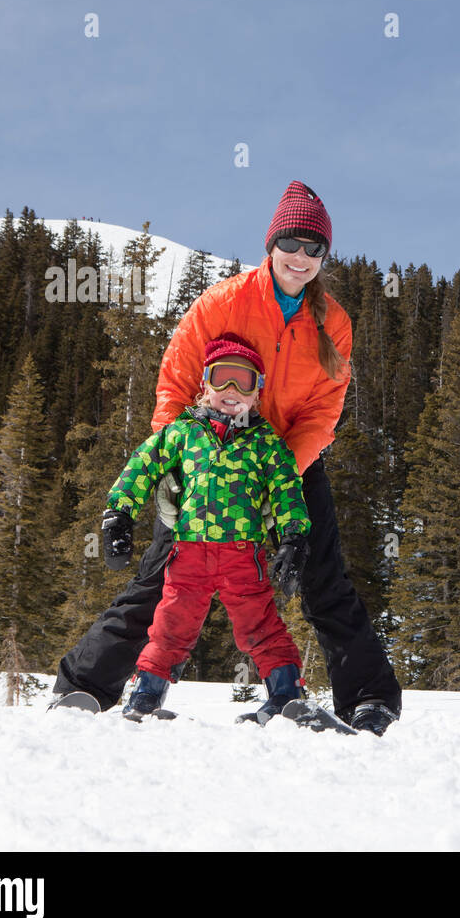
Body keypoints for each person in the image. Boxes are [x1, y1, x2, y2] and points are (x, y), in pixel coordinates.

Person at [52, 181, 402, 735]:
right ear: (271, 243)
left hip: (287, 459)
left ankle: (369, 698)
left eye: (316, 249)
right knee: (164, 577)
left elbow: (323, 408)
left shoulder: (332, 321)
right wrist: (177, 461)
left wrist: (274, 475)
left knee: (321, 575)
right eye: (292, 242)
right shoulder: (224, 302)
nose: (302, 258)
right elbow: (175, 381)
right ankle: (84, 688)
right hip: (204, 457)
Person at [101, 337, 310, 722]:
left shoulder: (265, 442)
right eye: (222, 379)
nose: (232, 392)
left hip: (243, 556)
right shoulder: (182, 432)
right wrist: (120, 513)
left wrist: (294, 536)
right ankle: (146, 694)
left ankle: (285, 693)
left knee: (259, 625)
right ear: (205, 386)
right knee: (170, 624)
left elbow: (286, 489)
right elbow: (141, 466)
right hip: (189, 553)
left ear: (256, 392)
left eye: (243, 382)